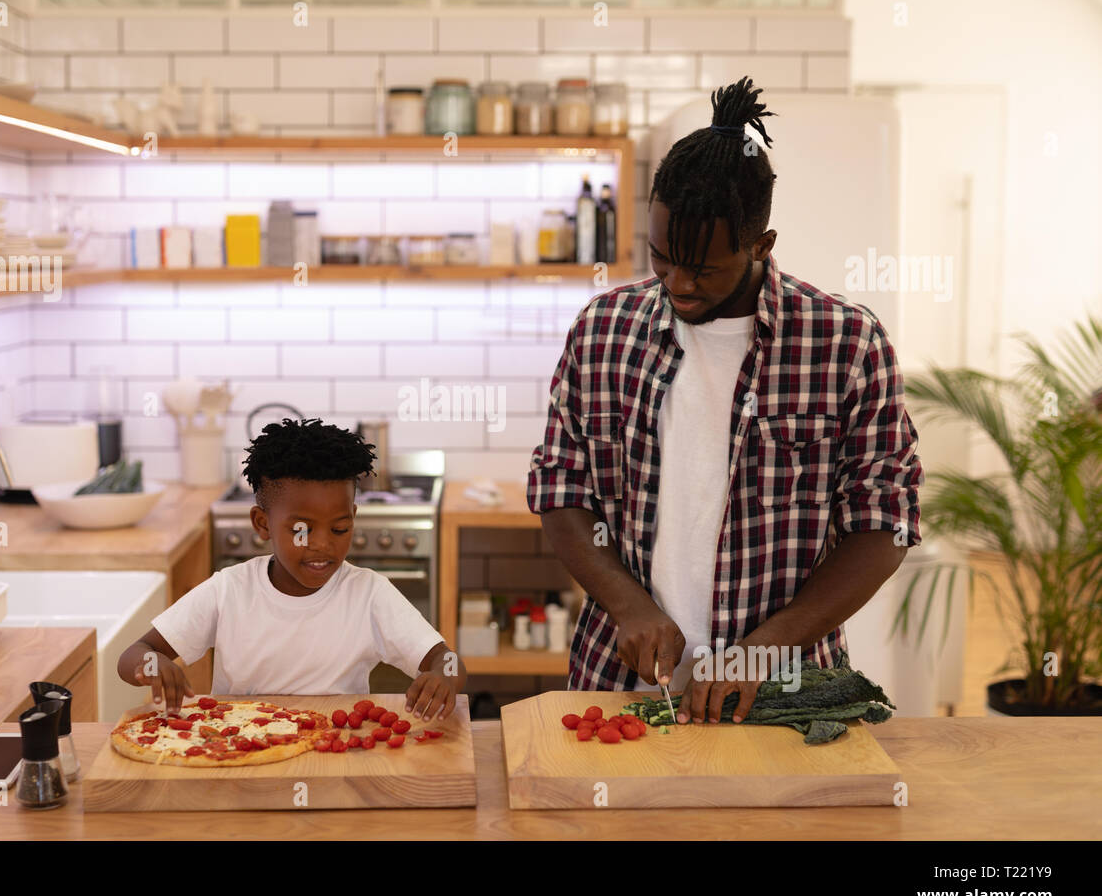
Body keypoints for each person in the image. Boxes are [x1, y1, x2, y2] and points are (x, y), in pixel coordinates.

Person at [527, 76, 924, 726]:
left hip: (784, 695)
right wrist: (626, 604)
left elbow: (886, 522)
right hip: (619, 685)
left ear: (761, 247)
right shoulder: (603, 330)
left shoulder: (845, 343)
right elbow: (560, 491)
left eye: (702, 269)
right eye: (661, 259)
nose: (676, 285)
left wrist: (763, 650)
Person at [117, 418, 464, 720]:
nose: (322, 544)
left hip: (335, 749)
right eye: (302, 530)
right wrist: (152, 665)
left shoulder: (368, 593)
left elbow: (446, 660)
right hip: (241, 749)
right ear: (262, 523)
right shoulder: (229, 591)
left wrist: (443, 677)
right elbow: (133, 654)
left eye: (340, 529)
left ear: (354, 519)